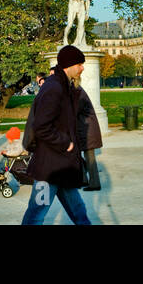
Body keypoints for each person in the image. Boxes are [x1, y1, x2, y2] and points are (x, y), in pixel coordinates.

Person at [22, 45, 92, 225]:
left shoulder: (64, 86)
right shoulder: (54, 88)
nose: (82, 67)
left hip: (62, 165)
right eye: (79, 64)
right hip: (50, 167)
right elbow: (41, 126)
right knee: (36, 213)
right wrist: (65, 143)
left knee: (78, 210)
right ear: (68, 65)